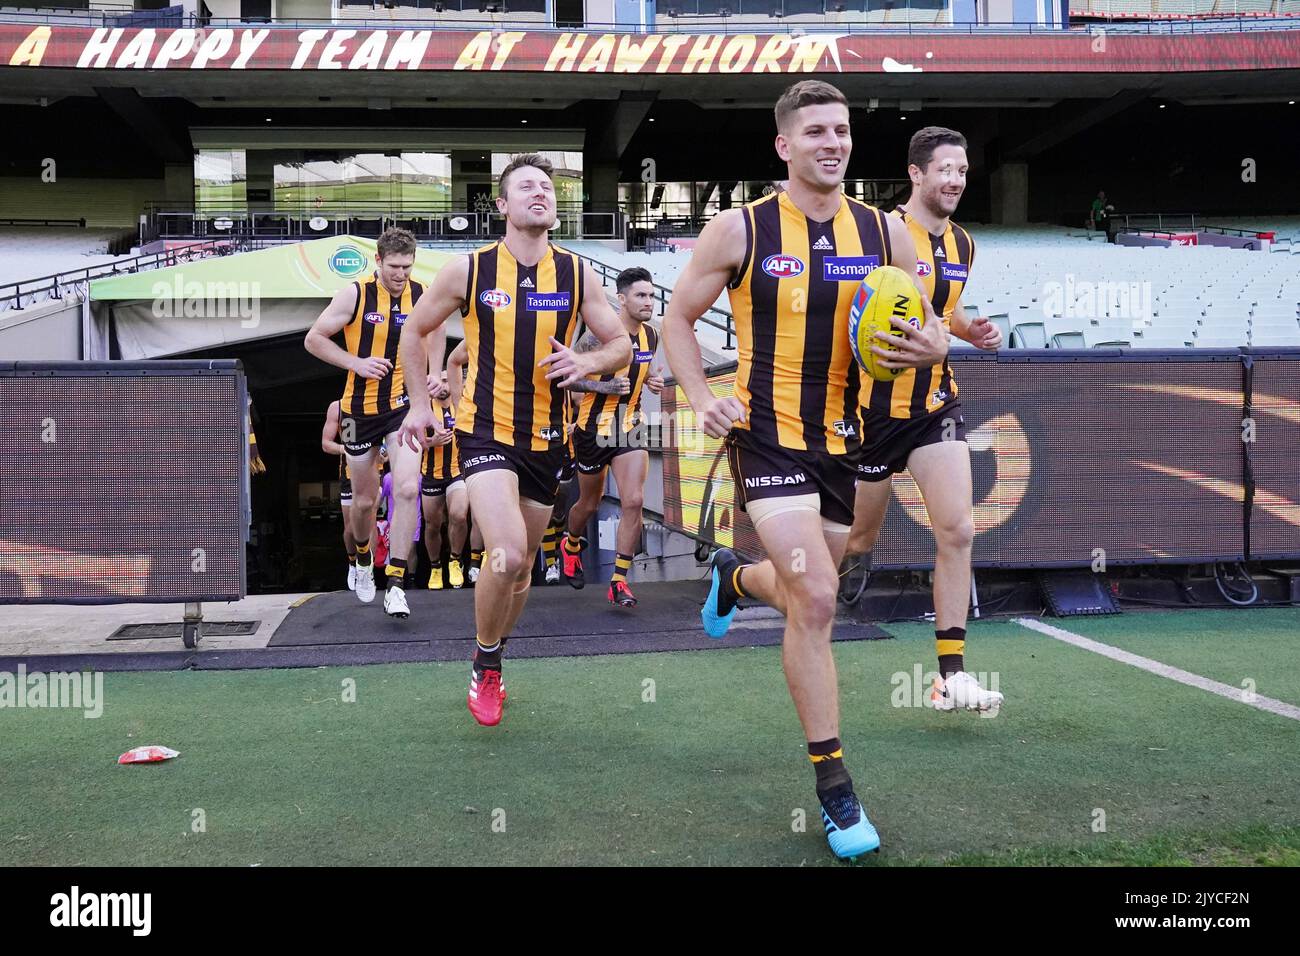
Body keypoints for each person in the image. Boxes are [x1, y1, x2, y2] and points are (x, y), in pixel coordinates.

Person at [662, 81, 949, 861]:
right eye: (816, 130)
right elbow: (675, 320)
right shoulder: (740, 227)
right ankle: (835, 788)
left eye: (843, 131)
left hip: (845, 443)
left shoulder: (883, 233)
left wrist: (937, 345)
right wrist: (699, 397)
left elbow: (926, 321)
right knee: (818, 600)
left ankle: (733, 576)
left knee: (812, 577)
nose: (834, 142)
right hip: (767, 438)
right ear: (785, 145)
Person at [397, 153, 631, 727]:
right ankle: (486, 659)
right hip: (485, 436)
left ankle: (497, 652)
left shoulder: (578, 274)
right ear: (501, 206)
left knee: (522, 568)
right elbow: (414, 329)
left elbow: (621, 344)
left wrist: (586, 360)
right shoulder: (468, 270)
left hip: (549, 441)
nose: (540, 193)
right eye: (526, 186)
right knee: (503, 552)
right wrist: (422, 406)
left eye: (548, 187)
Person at [841, 126, 1004, 716]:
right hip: (870, 414)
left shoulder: (963, 243)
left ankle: (950, 675)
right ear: (916, 173)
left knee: (957, 530)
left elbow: (943, 311)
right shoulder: (879, 234)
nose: (956, 180)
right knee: (855, 541)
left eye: (962, 170)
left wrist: (969, 330)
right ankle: (748, 580)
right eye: (945, 169)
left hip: (936, 405)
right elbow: (862, 312)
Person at [305, 227, 438, 618]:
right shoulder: (355, 294)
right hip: (356, 411)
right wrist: (356, 363)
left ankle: (395, 582)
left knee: (410, 488)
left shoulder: (422, 293)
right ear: (378, 261)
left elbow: (434, 334)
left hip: (402, 407)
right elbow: (314, 339)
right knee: (365, 501)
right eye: (394, 266)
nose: (401, 274)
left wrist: (430, 377)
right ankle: (362, 559)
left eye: (407, 267)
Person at [560, 266, 664, 607]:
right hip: (592, 429)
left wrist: (651, 381)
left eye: (651, 295)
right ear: (621, 299)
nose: (649, 301)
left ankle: (619, 580)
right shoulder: (597, 336)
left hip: (629, 425)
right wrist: (603, 386)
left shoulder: (652, 335)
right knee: (589, 502)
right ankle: (570, 543)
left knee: (634, 500)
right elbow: (568, 378)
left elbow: (641, 371)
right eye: (641, 295)